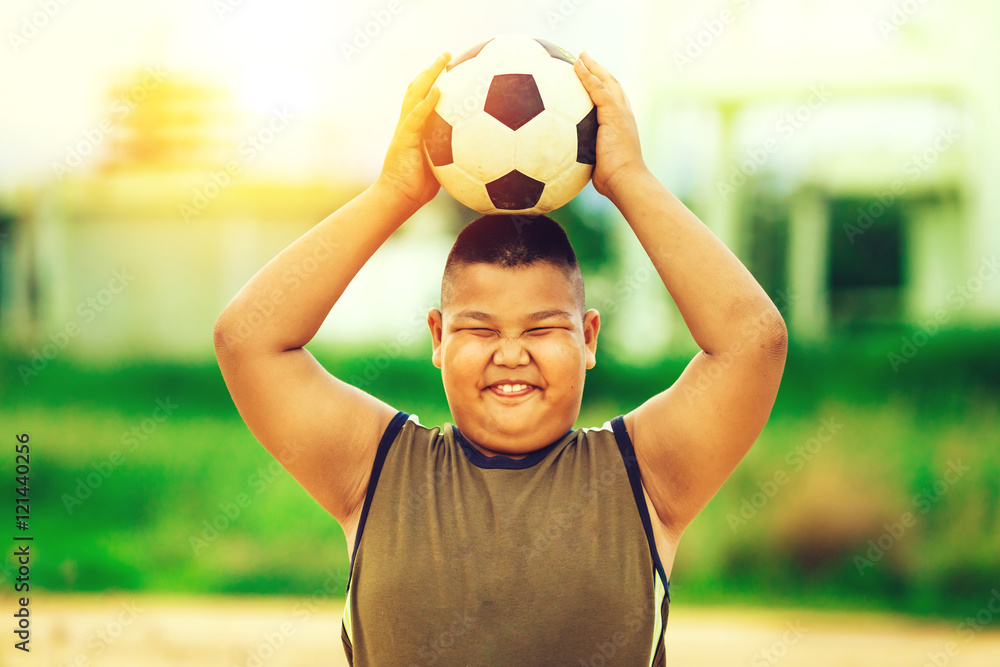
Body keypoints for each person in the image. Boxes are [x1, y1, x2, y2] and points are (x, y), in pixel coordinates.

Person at [213, 50, 787, 666]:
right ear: (437, 337)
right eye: (480, 329)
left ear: (588, 338)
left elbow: (753, 341)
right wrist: (394, 193)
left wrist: (631, 180)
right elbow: (246, 338)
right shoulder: (375, 471)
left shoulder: (644, 475)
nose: (511, 355)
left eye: (542, 328)